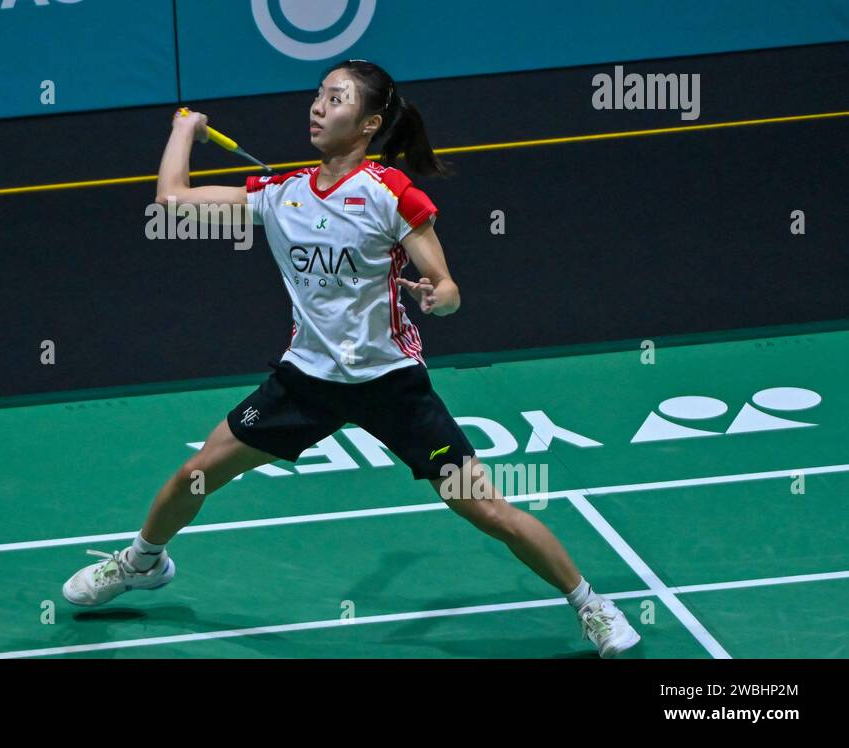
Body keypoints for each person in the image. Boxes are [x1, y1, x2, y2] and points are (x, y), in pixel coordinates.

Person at [61, 59, 640, 658]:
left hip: (390, 384)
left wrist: (431, 295)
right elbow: (173, 198)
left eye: (335, 99)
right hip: (307, 381)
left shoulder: (391, 193)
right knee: (197, 473)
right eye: (318, 95)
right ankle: (141, 562)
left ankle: (591, 604)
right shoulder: (279, 192)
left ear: (367, 124)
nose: (317, 106)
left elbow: (449, 290)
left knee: (486, 508)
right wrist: (185, 130)